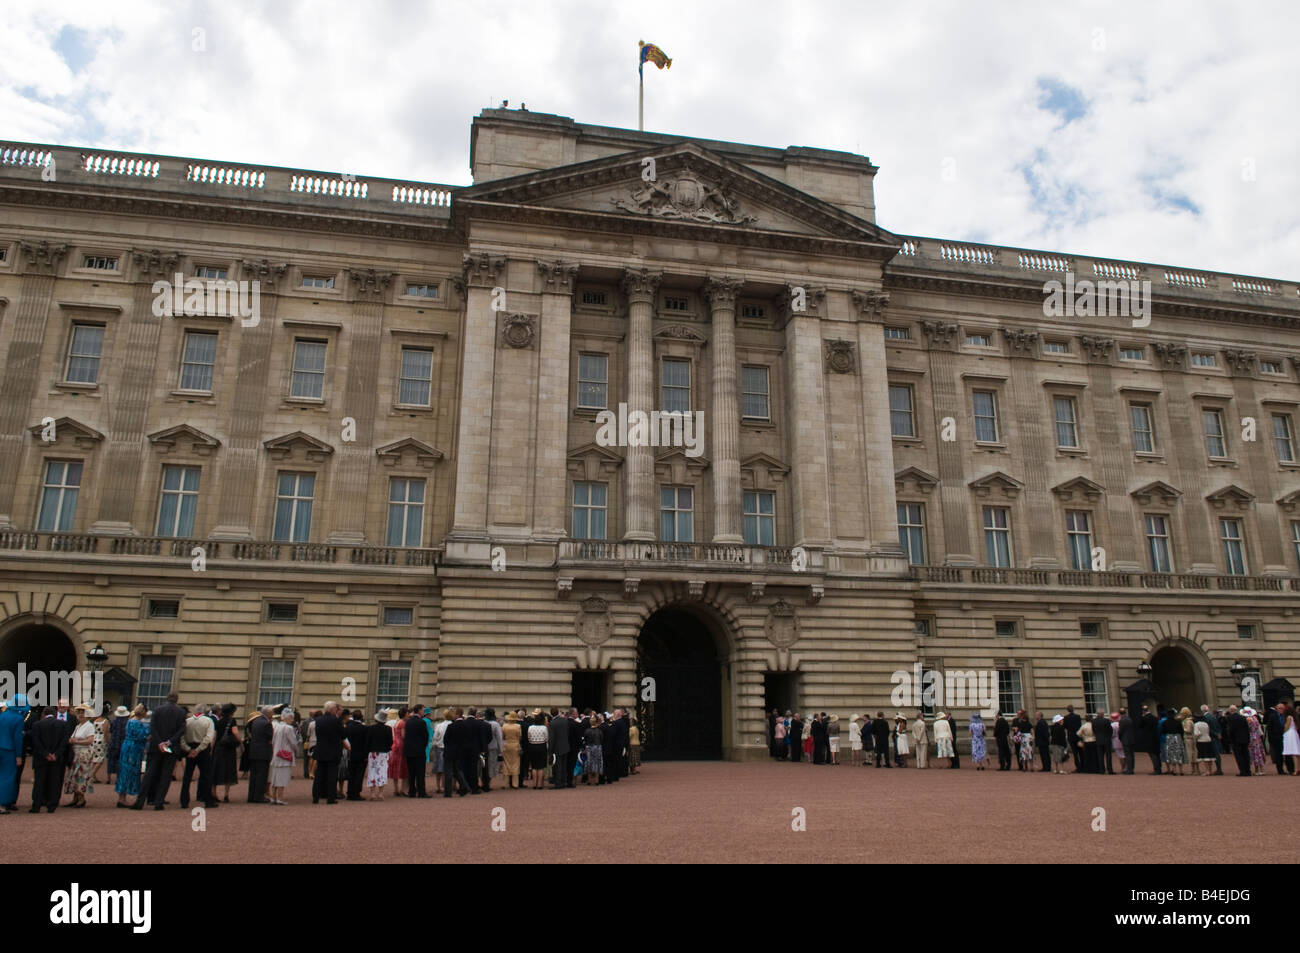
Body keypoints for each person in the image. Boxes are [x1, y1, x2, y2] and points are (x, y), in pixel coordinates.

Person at [132, 692, 185, 810]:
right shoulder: (181, 712)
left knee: (149, 774)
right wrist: (169, 742)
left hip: (156, 746)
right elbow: (182, 730)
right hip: (171, 746)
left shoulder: (158, 709)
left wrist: (160, 742)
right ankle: (159, 802)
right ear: (176, 700)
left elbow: (153, 727)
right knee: (166, 776)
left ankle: (140, 801)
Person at [29, 707, 70, 812]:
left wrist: (45, 754)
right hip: (57, 759)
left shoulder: (37, 725)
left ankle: (36, 805)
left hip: (41, 758)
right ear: (55, 714)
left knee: (39, 782)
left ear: (44, 714)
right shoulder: (63, 725)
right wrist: (56, 754)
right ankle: (52, 805)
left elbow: (36, 742)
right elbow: (64, 742)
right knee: (55, 782)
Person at [179, 703, 218, 809]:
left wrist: (188, 749)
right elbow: (209, 737)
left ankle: (184, 801)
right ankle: (207, 800)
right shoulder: (208, 721)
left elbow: (181, 737)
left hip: (189, 747)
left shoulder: (187, 721)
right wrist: (199, 749)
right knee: (206, 775)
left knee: (187, 776)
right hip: (202, 749)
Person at [113, 704, 148, 807]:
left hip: (127, 746)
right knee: (130, 771)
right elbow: (141, 736)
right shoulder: (137, 723)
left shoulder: (130, 721)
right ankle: (123, 798)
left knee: (124, 771)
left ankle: (121, 797)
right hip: (134, 748)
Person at [312, 701, 346, 804]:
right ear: (332, 709)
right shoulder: (335, 720)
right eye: (335, 709)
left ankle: (316, 797)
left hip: (321, 750)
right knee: (332, 776)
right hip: (333, 751)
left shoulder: (318, 720)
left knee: (319, 775)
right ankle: (330, 797)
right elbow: (343, 735)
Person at [0, 695, 28, 813]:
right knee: (7, 777)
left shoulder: (3, 715)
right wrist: (18, 756)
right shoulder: (18, 718)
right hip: (9, 750)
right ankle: (2, 804)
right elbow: (17, 739)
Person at [211, 704, 241, 802]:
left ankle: (213, 792)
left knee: (216, 770)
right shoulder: (232, 721)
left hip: (219, 748)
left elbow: (214, 736)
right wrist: (240, 742)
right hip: (229, 749)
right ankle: (226, 794)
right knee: (229, 771)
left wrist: (211, 749)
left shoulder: (218, 721)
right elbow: (235, 732)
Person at [245, 706, 274, 803]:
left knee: (254, 775)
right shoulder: (267, 723)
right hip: (263, 752)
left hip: (254, 751)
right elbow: (270, 737)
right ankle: (259, 796)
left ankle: (251, 796)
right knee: (262, 776)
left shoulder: (256, 721)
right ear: (269, 714)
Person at [364, 710, 393, 799]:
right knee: (382, 772)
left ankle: (372, 793)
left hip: (373, 752)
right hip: (383, 753)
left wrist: (366, 752)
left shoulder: (371, 728)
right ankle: (380, 793)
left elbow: (367, 742)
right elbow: (390, 742)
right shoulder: (388, 729)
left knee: (372, 772)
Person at [404, 705, 430, 798]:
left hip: (409, 750)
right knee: (420, 773)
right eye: (423, 710)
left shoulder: (408, 722)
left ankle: (412, 791)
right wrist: (423, 746)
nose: (424, 712)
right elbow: (425, 737)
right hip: (419, 750)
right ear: (419, 710)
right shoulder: (421, 722)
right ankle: (421, 792)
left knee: (411, 773)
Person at [343, 707, 368, 801]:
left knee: (351, 774)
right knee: (359, 774)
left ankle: (350, 792)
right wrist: (366, 755)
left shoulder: (348, 727)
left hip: (350, 753)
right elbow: (366, 743)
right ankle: (356, 793)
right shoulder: (364, 728)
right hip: (361, 754)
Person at [1223, 705, 1252, 776]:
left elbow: (1230, 730)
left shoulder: (1229, 718)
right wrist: (1248, 739)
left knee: (1239, 756)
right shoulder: (1243, 718)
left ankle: (1243, 771)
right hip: (1244, 739)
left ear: (1230, 710)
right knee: (1246, 755)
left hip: (1236, 740)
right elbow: (1247, 729)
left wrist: (1230, 739)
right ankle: (1248, 770)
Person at [525, 710, 548, 790]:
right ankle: (539, 784)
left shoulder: (530, 727)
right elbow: (546, 738)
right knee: (541, 767)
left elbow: (529, 737)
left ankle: (534, 784)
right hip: (542, 746)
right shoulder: (544, 727)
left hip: (532, 746)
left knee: (534, 766)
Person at [1160, 707, 1186, 776]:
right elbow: (1181, 731)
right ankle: (1181, 770)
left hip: (1169, 737)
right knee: (1179, 753)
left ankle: (1174, 770)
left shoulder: (1164, 722)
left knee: (1171, 754)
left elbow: (1163, 731)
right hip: (1177, 737)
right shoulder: (1178, 722)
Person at [1200, 705, 1224, 776]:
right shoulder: (1213, 716)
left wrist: (1216, 734)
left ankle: (1218, 769)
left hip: (1211, 737)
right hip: (1216, 736)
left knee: (1214, 754)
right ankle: (1219, 768)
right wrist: (1219, 734)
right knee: (1217, 754)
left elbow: (1208, 729)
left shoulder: (1205, 718)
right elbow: (1218, 726)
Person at [501, 711, 522, 788]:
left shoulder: (504, 726)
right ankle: (515, 784)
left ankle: (505, 783)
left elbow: (503, 736)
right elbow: (519, 737)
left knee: (506, 763)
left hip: (507, 745)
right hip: (515, 745)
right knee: (516, 764)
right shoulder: (518, 726)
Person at [1138, 705, 1161, 775]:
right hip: (1155, 737)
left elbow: (1140, 726)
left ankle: (1156, 769)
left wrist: (1142, 717)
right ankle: (1159, 768)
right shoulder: (1155, 718)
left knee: (1152, 754)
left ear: (1143, 711)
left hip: (1148, 738)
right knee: (1157, 754)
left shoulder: (1144, 718)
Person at [89, 708, 109, 784]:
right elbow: (105, 732)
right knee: (100, 759)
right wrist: (107, 741)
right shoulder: (105, 721)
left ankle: (94, 776)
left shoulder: (95, 720)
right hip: (101, 740)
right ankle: (92, 774)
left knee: (95, 758)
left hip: (95, 739)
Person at [1245, 707, 1267, 775]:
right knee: (1259, 752)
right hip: (1257, 736)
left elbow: (1248, 729)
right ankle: (1262, 769)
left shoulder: (1248, 719)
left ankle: (1257, 770)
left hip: (1252, 736)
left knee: (1254, 753)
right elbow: (1259, 728)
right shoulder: (1255, 718)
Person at [1282, 704, 1300, 775]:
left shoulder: (1289, 717)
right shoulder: (1294, 718)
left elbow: (1287, 727)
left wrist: (1283, 732)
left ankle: (1296, 769)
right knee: (1297, 753)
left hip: (1290, 734)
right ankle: (1298, 768)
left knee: (1293, 752)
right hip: (1294, 733)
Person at [1063, 705, 1082, 772]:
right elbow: (1080, 725)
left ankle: (1078, 767)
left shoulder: (1066, 717)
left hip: (1071, 736)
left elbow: (1065, 726)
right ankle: (1083, 766)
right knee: (1081, 752)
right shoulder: (1078, 716)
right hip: (1078, 736)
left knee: (1075, 753)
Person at [1117, 709, 1135, 774]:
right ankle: (1132, 768)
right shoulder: (1129, 719)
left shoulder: (1122, 720)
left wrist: (1120, 737)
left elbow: (1120, 731)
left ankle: (1129, 770)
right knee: (1131, 754)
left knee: (1128, 755)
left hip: (1125, 739)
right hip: (1131, 739)